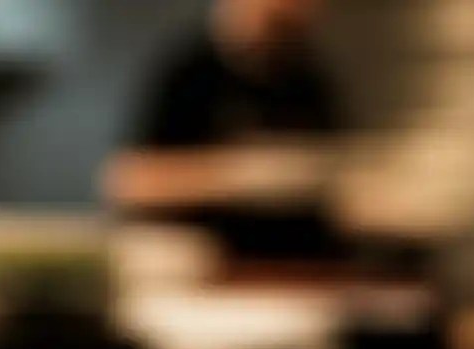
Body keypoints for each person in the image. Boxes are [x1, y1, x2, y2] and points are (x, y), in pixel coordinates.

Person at [105, 0, 343, 260]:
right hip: (209, 264)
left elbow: (337, 175)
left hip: (297, 263)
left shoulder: (306, 77)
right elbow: (128, 182)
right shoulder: (190, 72)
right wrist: (242, 176)